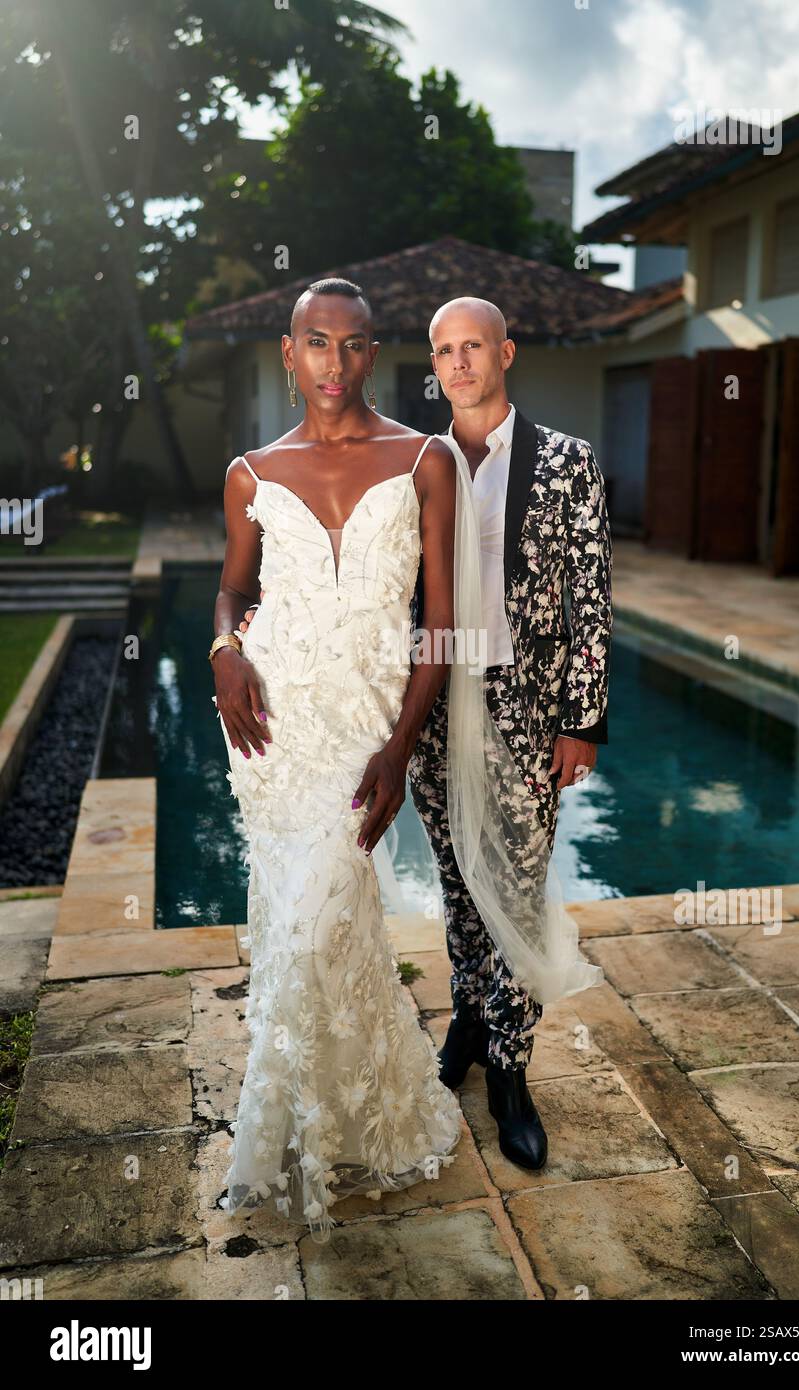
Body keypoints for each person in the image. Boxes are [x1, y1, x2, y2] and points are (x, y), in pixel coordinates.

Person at [238, 292, 612, 1180]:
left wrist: (583, 719)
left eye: (474, 346)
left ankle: (512, 1075)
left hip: (523, 706)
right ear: (432, 363)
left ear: (506, 353)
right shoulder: (421, 460)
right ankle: (472, 1022)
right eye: (445, 350)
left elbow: (591, 598)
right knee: (456, 878)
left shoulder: (566, 462)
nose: (460, 363)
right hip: (431, 700)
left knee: (514, 883)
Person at [210, 276, 462, 1244]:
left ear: (373, 352)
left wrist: (400, 746)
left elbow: (438, 629)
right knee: (303, 931)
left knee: (319, 926)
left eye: (353, 345)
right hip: (273, 730)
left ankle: (351, 1111)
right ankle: (300, 1127)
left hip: (362, 730)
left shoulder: (424, 461)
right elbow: (231, 594)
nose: (335, 364)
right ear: (289, 352)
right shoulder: (249, 473)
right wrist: (225, 654)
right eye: (316, 343)